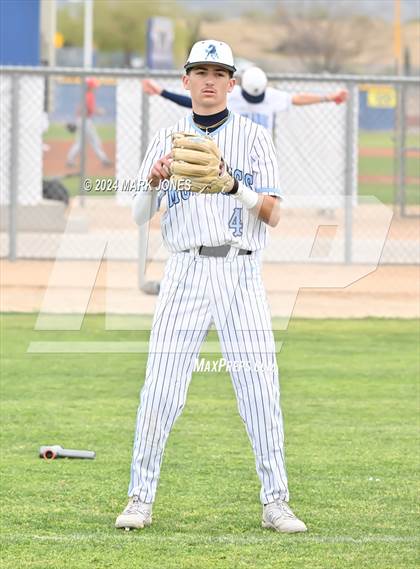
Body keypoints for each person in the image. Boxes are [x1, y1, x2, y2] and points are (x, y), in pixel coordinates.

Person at [115, 40, 307, 534]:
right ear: (185, 80)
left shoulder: (254, 137)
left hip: (241, 271)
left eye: (218, 72)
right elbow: (139, 216)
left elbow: (275, 214)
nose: (208, 80)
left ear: (232, 82)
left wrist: (231, 185)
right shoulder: (166, 139)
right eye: (199, 71)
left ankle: (276, 502)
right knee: (161, 389)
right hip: (184, 271)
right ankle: (139, 498)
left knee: (259, 388)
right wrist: (155, 182)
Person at [142, 66, 348, 132]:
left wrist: (328, 97)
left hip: (259, 153)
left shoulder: (272, 97)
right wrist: (162, 92)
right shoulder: (234, 95)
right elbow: (192, 102)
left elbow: (298, 98)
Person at [66, 77, 112, 168]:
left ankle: (70, 159)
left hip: (81, 120)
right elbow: (90, 110)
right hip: (86, 121)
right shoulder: (89, 95)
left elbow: (79, 109)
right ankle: (104, 159)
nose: (96, 87)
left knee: (80, 142)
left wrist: (77, 121)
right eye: (94, 85)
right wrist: (100, 112)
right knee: (95, 141)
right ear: (91, 86)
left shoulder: (85, 94)